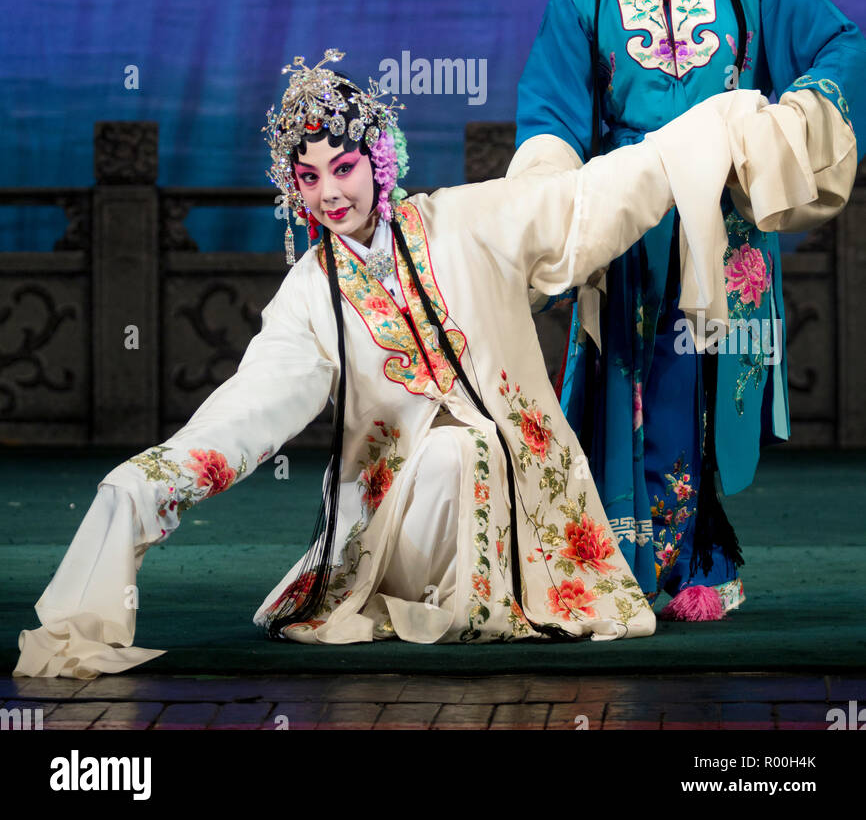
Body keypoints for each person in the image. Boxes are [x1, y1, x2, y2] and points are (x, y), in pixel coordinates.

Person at [14, 50, 807, 678]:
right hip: (398, 518)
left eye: (345, 168)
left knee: (477, 446)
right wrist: (151, 483)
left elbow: (589, 200)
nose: (330, 193)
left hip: (529, 500)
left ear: (379, 162)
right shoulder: (312, 294)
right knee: (455, 449)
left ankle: (509, 591)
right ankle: (433, 598)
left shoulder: (467, 220)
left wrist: (701, 133)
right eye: (309, 177)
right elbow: (249, 408)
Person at [510, 0, 866, 621]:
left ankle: (701, 558)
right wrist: (552, 190)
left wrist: (781, 127)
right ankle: (616, 560)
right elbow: (551, 113)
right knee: (619, 382)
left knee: (702, 381)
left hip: (722, 225)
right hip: (629, 219)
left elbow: (841, 48)